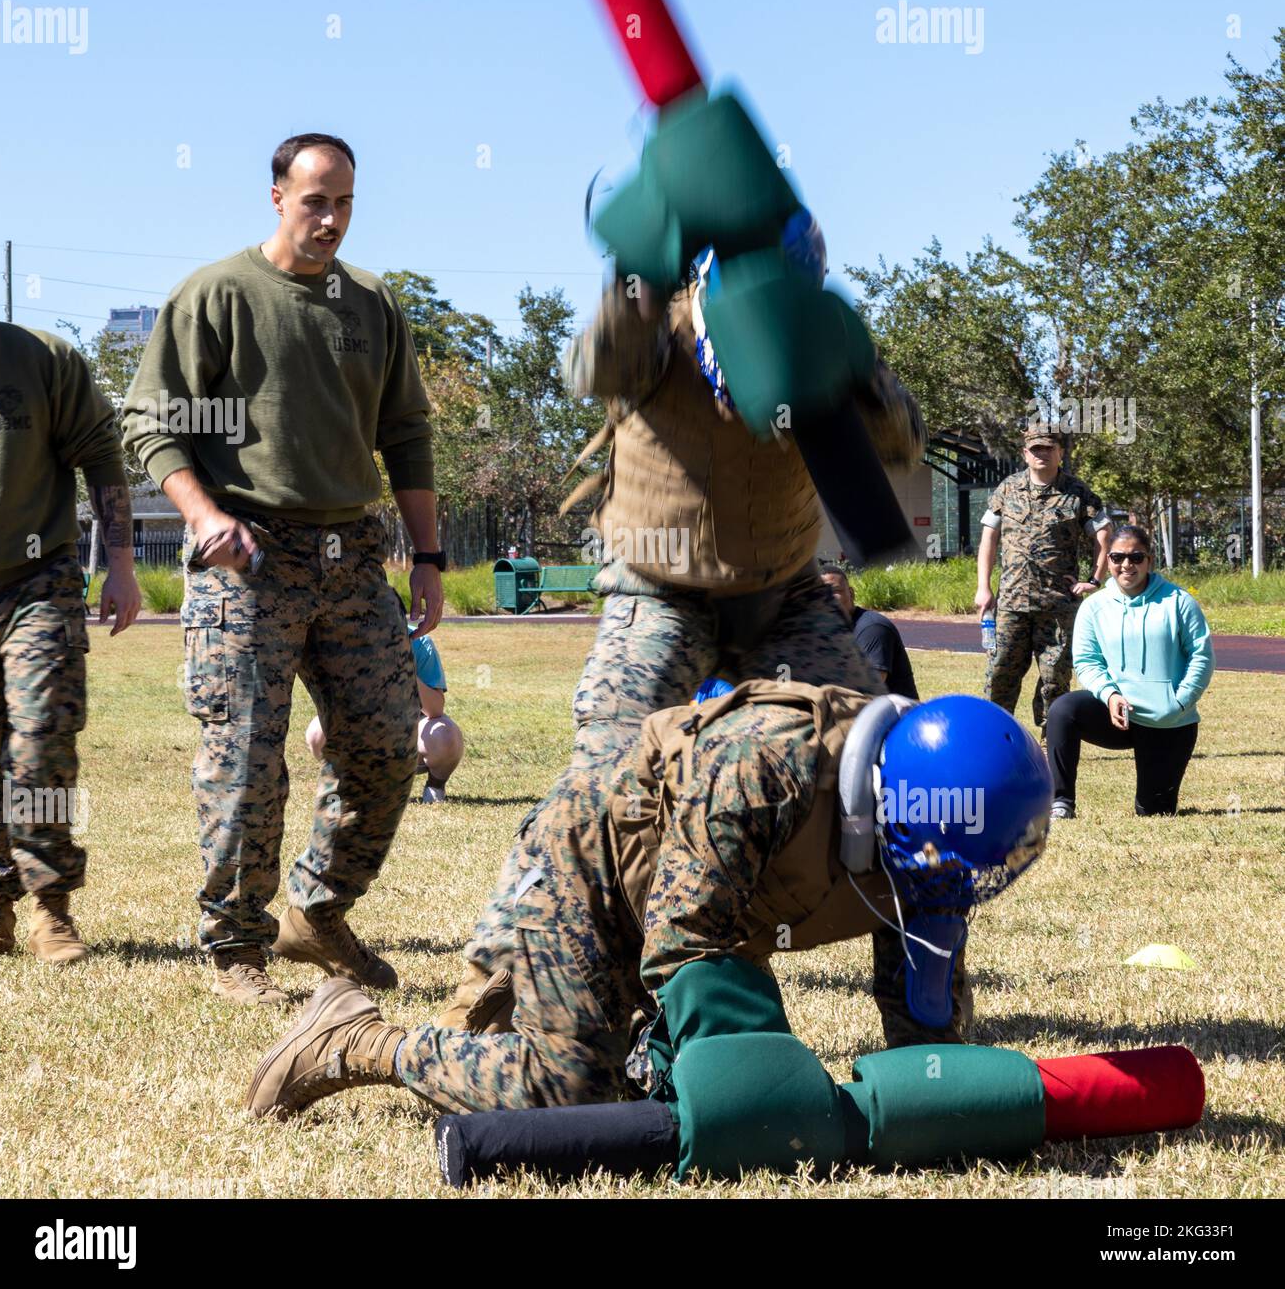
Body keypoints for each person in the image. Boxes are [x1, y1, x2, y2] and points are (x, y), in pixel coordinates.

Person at [435, 225, 929, 1039]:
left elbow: (902, 436)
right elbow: (586, 366)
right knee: (599, 785)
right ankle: (489, 990)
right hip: (659, 589)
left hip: (785, 593)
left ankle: (922, 1023)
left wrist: (853, 375)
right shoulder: (651, 326)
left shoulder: (822, 336)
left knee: (889, 775)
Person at [244, 683, 1051, 1118]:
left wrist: (943, 1100)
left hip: (685, 889)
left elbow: (923, 1020)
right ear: (891, 807)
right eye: (946, 868)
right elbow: (687, 946)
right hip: (593, 863)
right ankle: (356, 1037)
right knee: (566, 1093)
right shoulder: (763, 770)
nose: (955, 888)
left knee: (595, 1062)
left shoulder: (936, 835)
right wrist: (768, 1095)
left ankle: (503, 1004)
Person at [122, 133, 444, 1005]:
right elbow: (152, 423)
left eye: (344, 201)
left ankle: (319, 908)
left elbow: (407, 433)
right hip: (247, 560)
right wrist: (204, 515)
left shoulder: (372, 304)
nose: (332, 218)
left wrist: (429, 556)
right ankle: (234, 945)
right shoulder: (217, 295)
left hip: (351, 559)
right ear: (276, 197)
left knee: (387, 744)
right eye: (315, 200)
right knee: (247, 756)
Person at [0, 321, 142, 961]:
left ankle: (53, 907)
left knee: (42, 734)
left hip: (36, 580)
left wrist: (123, 564)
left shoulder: (40, 358)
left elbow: (102, 456)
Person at [1045, 525, 1213, 820]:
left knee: (1154, 812)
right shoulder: (1094, 606)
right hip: (1117, 715)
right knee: (1063, 710)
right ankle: (1061, 801)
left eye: (1136, 557)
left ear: (1149, 560)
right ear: (1107, 560)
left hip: (1169, 721)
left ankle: (1154, 796)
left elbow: (1201, 657)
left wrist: (1179, 703)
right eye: (1117, 557)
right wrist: (1109, 695)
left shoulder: (1179, 602)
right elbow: (1086, 660)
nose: (1126, 564)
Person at [976, 425, 1112, 728]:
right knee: (1000, 673)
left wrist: (1094, 579)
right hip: (1011, 603)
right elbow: (989, 538)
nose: (1042, 454)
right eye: (1035, 449)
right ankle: (994, 736)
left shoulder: (1077, 493)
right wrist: (983, 588)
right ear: (1025, 453)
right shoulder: (1007, 489)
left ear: (1060, 453)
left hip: (1058, 606)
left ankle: (1052, 739)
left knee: (1055, 678)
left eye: (1048, 449)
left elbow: (1103, 534)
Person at [305, 625, 464, 804]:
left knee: (445, 733)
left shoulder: (419, 641)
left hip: (411, 733)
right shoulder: (346, 642)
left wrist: (406, 670)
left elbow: (435, 710)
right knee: (318, 732)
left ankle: (435, 786)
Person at [820, 565, 918, 698]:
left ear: (851, 593)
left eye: (835, 591)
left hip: (895, 714)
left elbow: (868, 687)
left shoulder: (872, 628)